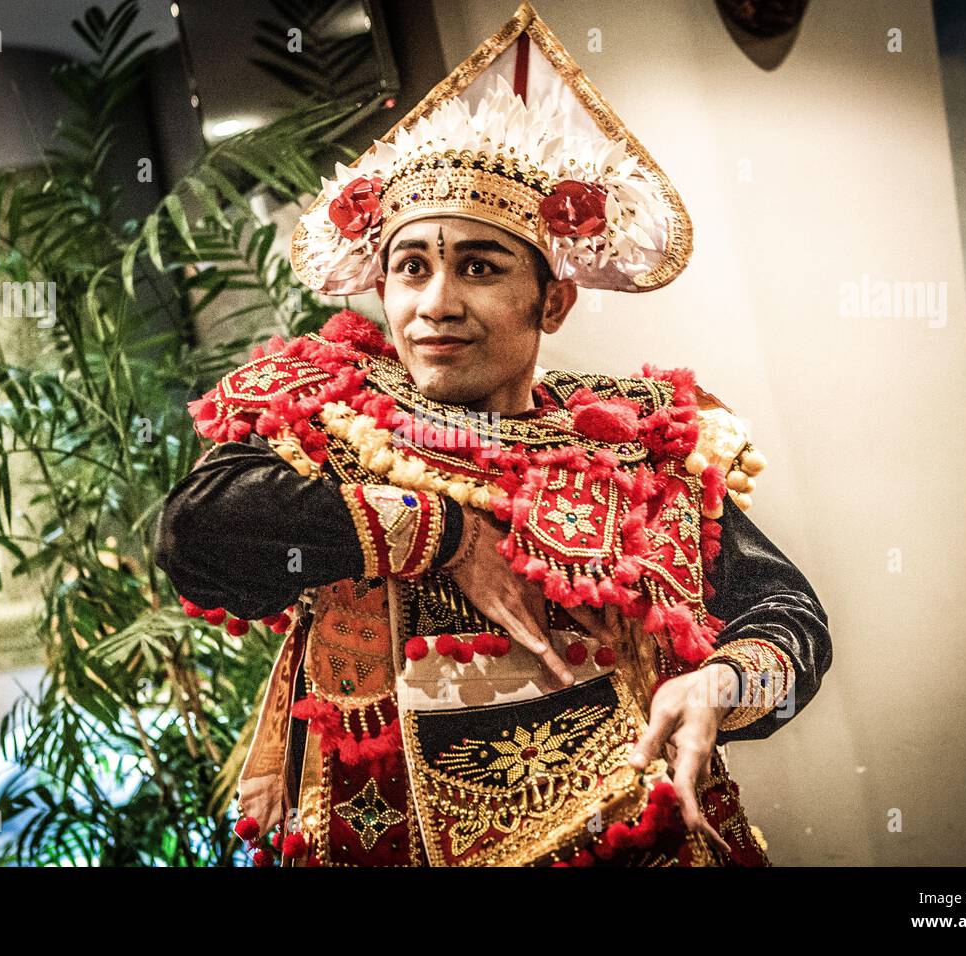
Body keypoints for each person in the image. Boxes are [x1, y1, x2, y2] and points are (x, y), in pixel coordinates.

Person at [156, 2, 830, 867]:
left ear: (552, 301)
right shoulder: (328, 415)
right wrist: (439, 532)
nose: (436, 302)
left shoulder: (635, 443)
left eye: (478, 266)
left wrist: (723, 681)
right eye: (411, 267)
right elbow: (198, 532)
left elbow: (789, 618)